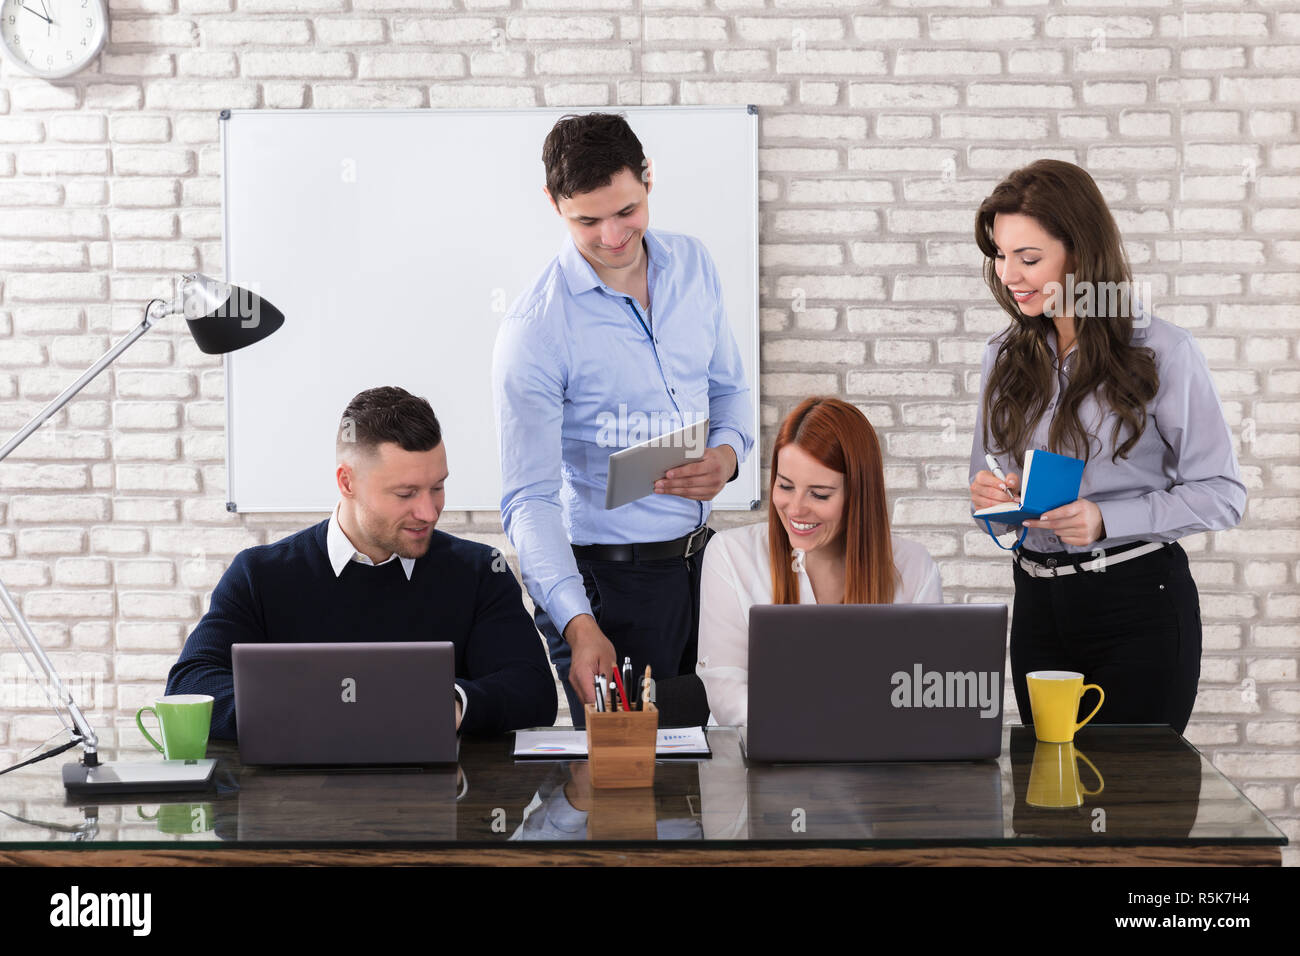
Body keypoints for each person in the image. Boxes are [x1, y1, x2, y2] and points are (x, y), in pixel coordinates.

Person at [492, 112, 754, 726]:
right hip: (606, 591)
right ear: (554, 203)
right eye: (587, 221)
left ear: (648, 178)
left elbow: (730, 390)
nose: (613, 236)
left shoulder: (693, 265)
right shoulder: (534, 331)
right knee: (631, 774)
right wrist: (578, 624)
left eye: (627, 211)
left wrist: (727, 455)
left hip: (703, 568)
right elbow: (529, 500)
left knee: (714, 758)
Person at [968, 159, 1245, 735]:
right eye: (999, 254)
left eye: (1028, 258)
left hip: (1136, 605)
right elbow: (989, 481)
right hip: (1037, 606)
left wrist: (1105, 519)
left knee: (1129, 790)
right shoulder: (1004, 355)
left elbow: (1223, 494)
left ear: (1080, 253)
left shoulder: (1162, 351)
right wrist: (993, 498)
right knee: (1046, 785)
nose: (1009, 275)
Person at [166, 387, 557, 739]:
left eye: (437, 487)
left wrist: (449, 704)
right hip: (297, 795)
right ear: (347, 482)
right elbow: (190, 686)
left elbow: (532, 690)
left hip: (446, 793)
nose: (428, 511)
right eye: (406, 493)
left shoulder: (479, 571)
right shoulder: (260, 576)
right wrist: (322, 709)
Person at [697, 397, 942, 726]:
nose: (796, 509)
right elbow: (727, 698)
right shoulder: (730, 554)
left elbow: (923, 697)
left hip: (875, 755)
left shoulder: (913, 567)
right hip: (760, 756)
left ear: (858, 494)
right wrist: (831, 726)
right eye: (785, 486)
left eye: (819, 494)